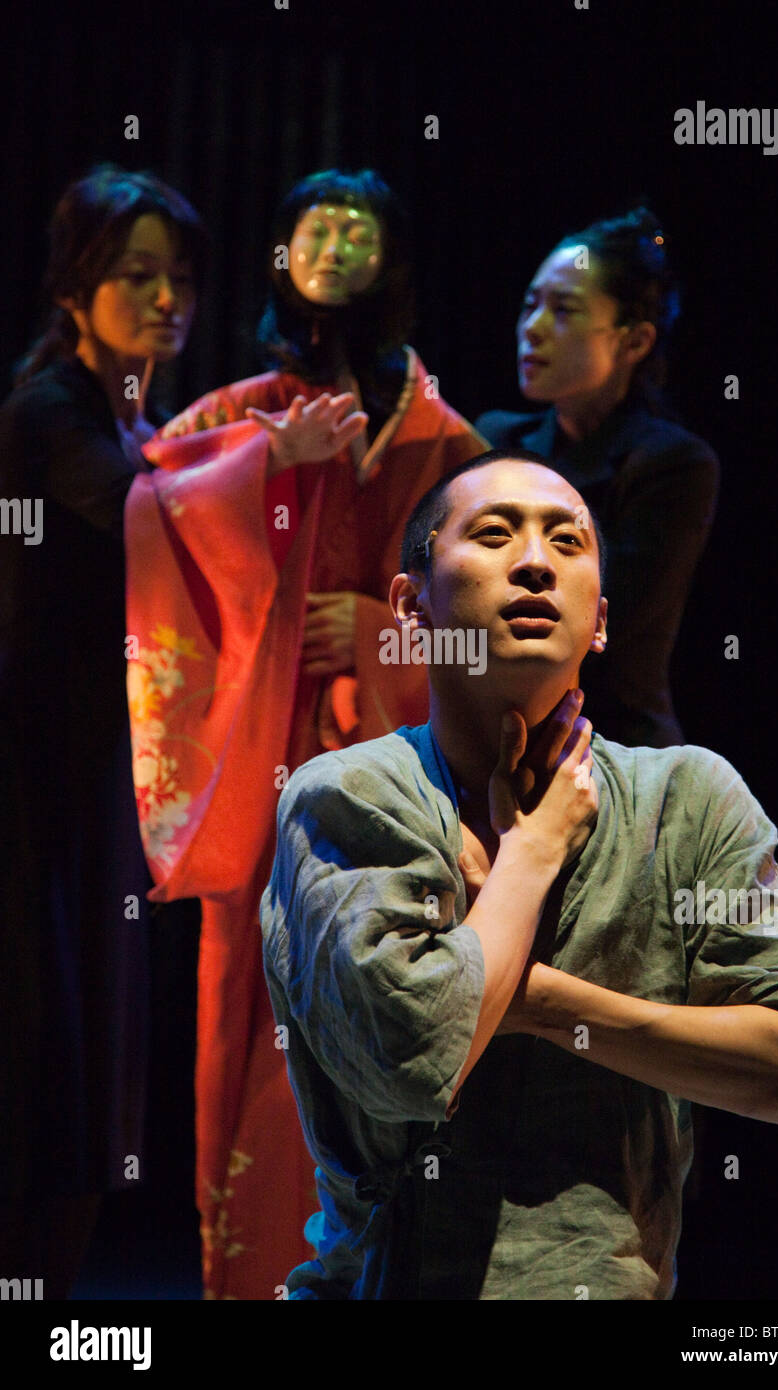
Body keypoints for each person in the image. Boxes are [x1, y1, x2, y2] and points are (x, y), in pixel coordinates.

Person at [261, 450, 778, 1300]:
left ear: (601, 619)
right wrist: (532, 853)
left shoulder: (687, 799)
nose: (535, 561)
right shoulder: (350, 796)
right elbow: (415, 1059)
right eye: (494, 534)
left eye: (567, 542)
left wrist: (523, 997)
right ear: (410, 605)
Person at [124, 168, 487, 1298]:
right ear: (280, 252)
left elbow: (489, 633)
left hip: (403, 772)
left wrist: (382, 633)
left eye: (357, 224)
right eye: (309, 226)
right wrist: (263, 467)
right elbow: (152, 498)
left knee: (397, 1008)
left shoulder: (446, 443)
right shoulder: (240, 413)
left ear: (394, 254)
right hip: (267, 766)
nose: (332, 242)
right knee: (262, 1014)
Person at [0, 164, 205, 1297]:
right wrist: (271, 455)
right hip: (32, 782)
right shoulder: (50, 415)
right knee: (42, 1066)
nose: (167, 296)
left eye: (179, 277)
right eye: (137, 273)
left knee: (90, 1079)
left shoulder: (146, 425)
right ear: (77, 287)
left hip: (102, 785)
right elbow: (151, 515)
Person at [476, 208, 719, 748]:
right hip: (495, 743)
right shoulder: (495, 439)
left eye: (563, 310)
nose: (532, 328)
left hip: (617, 750)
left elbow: (598, 619)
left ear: (634, 343)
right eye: (530, 305)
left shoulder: (672, 463)